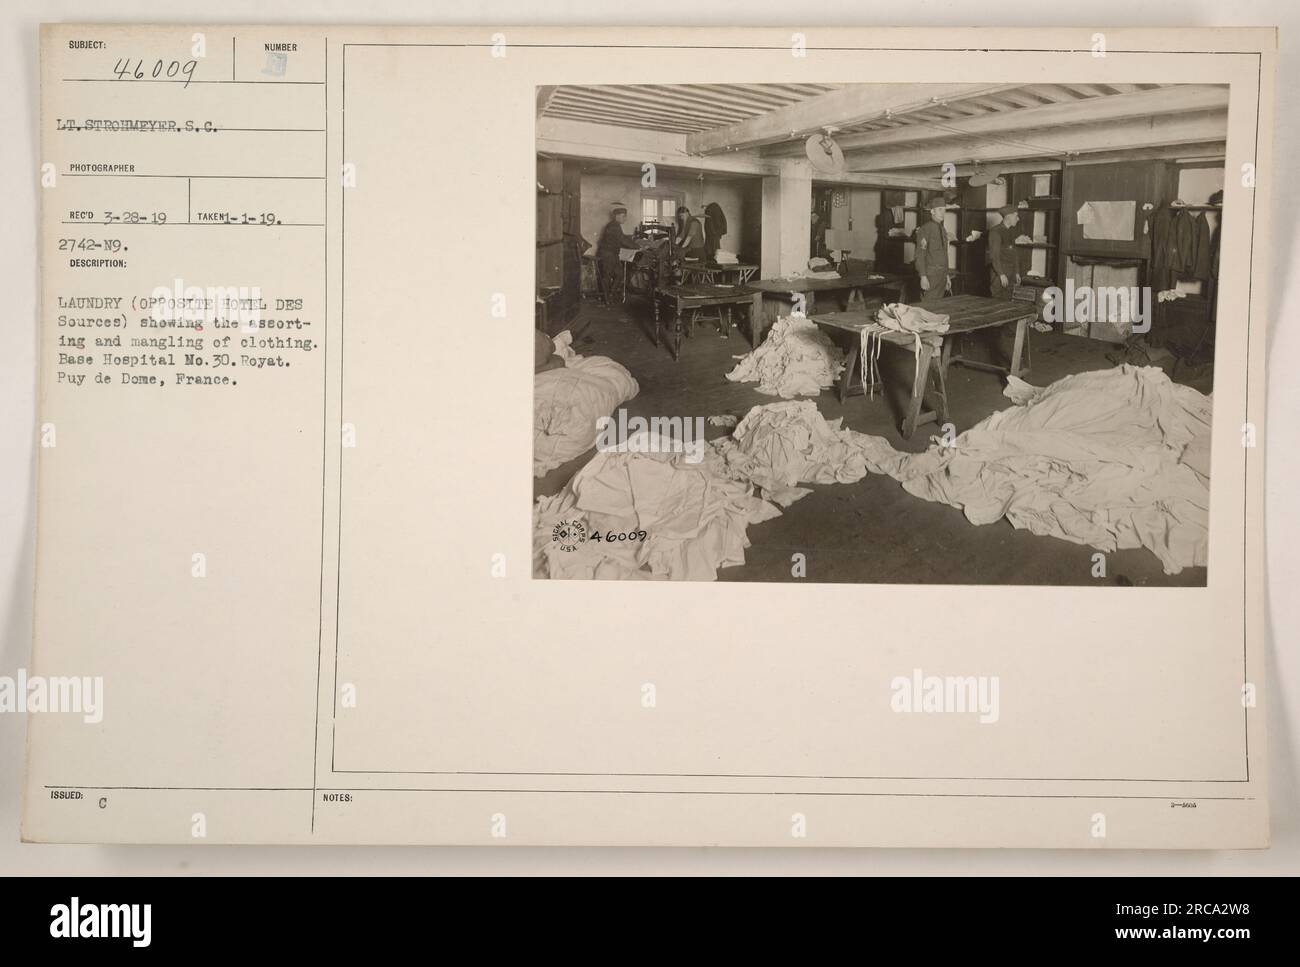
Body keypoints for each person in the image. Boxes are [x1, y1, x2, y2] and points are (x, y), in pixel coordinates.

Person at [596, 204, 642, 304]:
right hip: (607, 254)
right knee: (607, 276)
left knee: (620, 275)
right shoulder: (613, 226)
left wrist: (632, 240)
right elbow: (622, 239)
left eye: (625, 216)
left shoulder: (615, 225)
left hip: (612, 254)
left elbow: (621, 237)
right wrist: (638, 246)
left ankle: (611, 294)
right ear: (617, 216)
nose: (625, 218)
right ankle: (607, 298)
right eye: (623, 216)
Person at [913, 196, 951, 305]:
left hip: (942, 276)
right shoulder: (925, 229)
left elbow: (944, 254)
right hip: (931, 276)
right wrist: (923, 276)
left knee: (939, 307)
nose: (943, 213)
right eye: (940, 210)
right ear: (932, 211)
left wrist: (947, 275)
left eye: (944, 210)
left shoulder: (942, 229)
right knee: (928, 307)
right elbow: (919, 255)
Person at [986, 205, 1025, 298]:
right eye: (1016, 216)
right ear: (1009, 216)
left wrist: (1017, 272)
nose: (1018, 219)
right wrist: (1001, 274)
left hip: (1010, 274)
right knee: (997, 301)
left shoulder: (1010, 231)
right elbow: (994, 256)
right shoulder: (995, 231)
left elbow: (1014, 253)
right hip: (1000, 274)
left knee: (1008, 300)